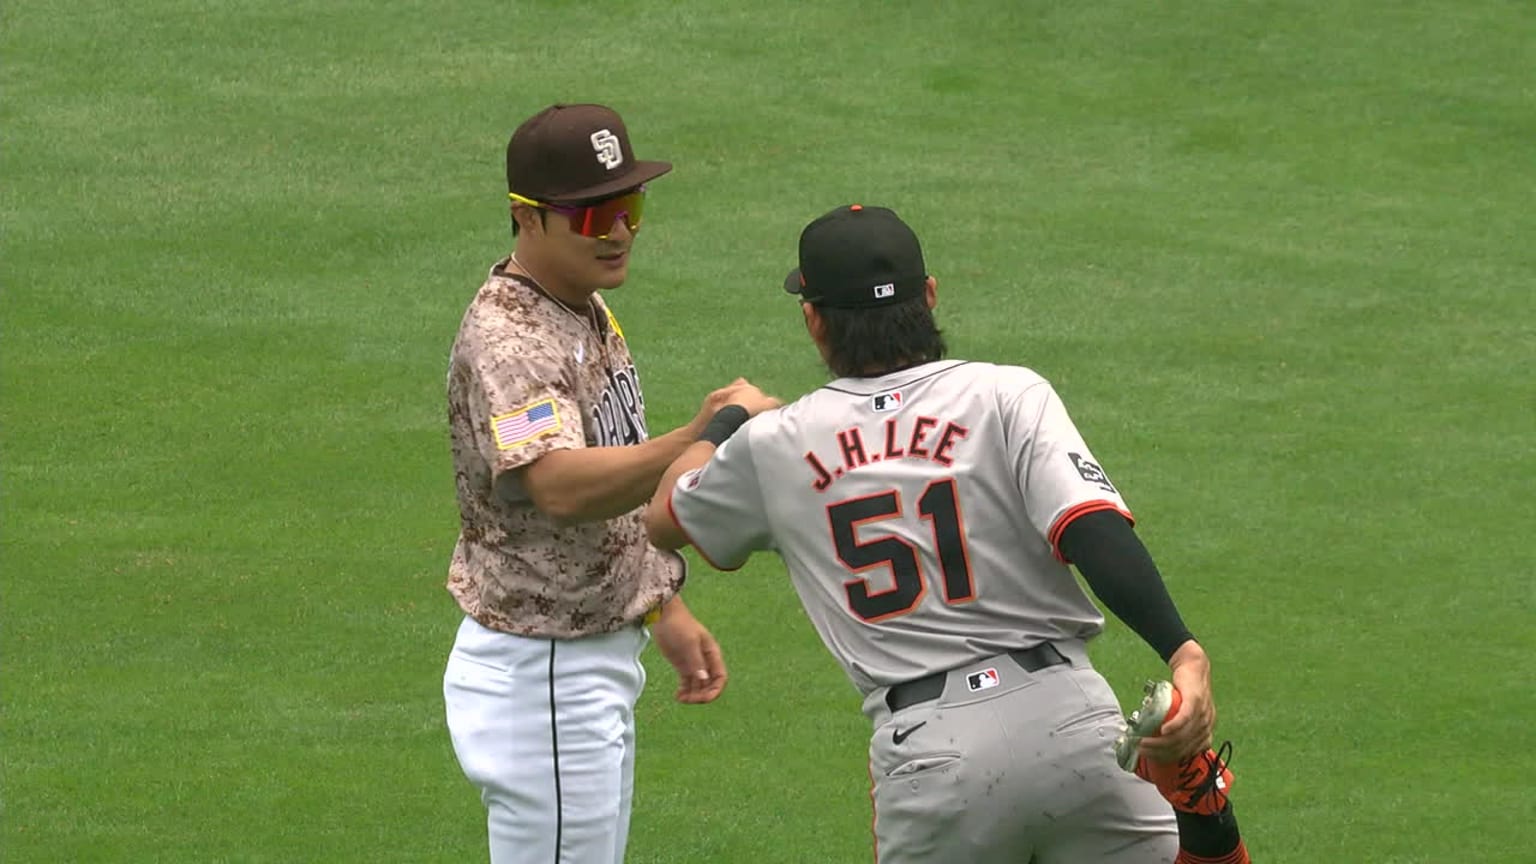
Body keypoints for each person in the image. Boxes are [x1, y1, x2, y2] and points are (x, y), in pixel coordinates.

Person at [643, 204, 1252, 863]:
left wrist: (725, 422)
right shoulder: (1007, 394)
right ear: (929, 297)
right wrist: (1182, 650)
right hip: (1070, 719)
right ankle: (1207, 824)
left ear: (814, 320)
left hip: (931, 753)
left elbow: (663, 519)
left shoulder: (775, 445)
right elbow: (1092, 528)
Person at [441, 102, 766, 864]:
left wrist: (661, 603)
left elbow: (601, 484)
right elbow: (556, 484)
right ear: (528, 219)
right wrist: (696, 436)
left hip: (580, 654)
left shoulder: (582, 308)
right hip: (545, 668)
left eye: (629, 206)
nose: (618, 230)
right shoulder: (512, 338)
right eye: (592, 216)